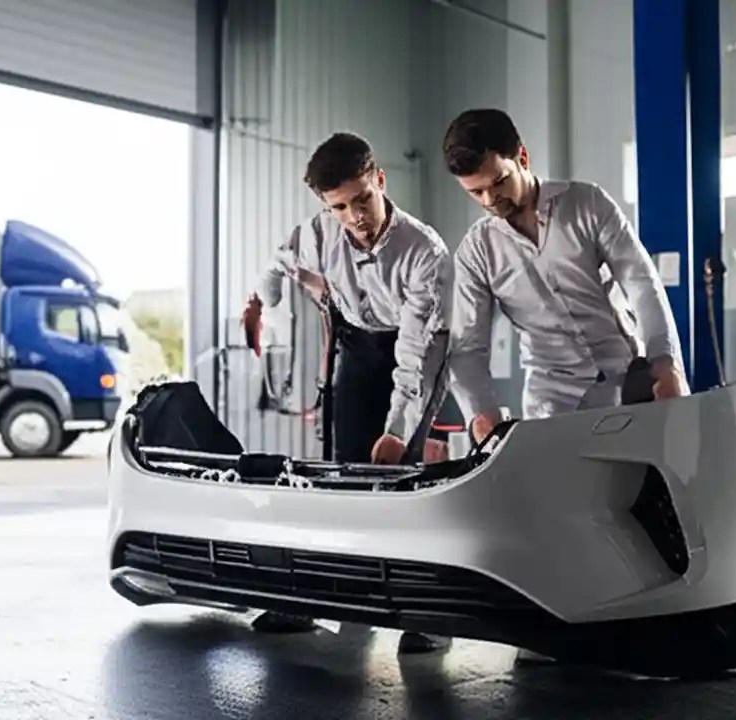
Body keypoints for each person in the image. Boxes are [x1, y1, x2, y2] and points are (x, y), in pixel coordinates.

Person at [241, 130, 454, 653]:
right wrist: (258, 303)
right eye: (340, 207)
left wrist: (396, 428)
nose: (356, 215)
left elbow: (414, 353)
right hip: (358, 343)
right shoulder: (315, 235)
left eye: (363, 198)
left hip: (418, 351)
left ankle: (430, 614)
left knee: (401, 475)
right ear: (325, 206)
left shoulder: (424, 251)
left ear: (379, 181)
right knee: (339, 473)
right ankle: (327, 593)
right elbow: (277, 263)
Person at [441, 108, 688, 445]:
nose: (490, 199)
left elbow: (641, 284)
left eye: (499, 182)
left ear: (522, 157)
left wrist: (664, 362)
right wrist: (480, 413)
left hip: (628, 381)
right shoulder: (476, 252)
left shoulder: (588, 204)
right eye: (476, 192)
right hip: (551, 404)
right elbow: (467, 346)